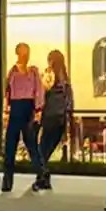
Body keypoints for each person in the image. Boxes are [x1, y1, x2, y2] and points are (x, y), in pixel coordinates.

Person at [2, 42, 45, 193]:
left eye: (26, 53)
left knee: (32, 145)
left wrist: (38, 111)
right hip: (15, 109)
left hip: (28, 109)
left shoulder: (33, 72)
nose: (24, 56)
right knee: (10, 147)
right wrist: (6, 111)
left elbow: (39, 91)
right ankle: (7, 182)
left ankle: (41, 176)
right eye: (22, 53)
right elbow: (7, 92)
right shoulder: (12, 72)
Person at [35, 49, 74, 191]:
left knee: (42, 150)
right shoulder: (65, 81)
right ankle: (43, 178)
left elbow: (41, 96)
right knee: (46, 150)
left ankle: (43, 177)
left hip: (50, 118)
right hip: (60, 120)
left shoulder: (49, 77)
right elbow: (69, 102)